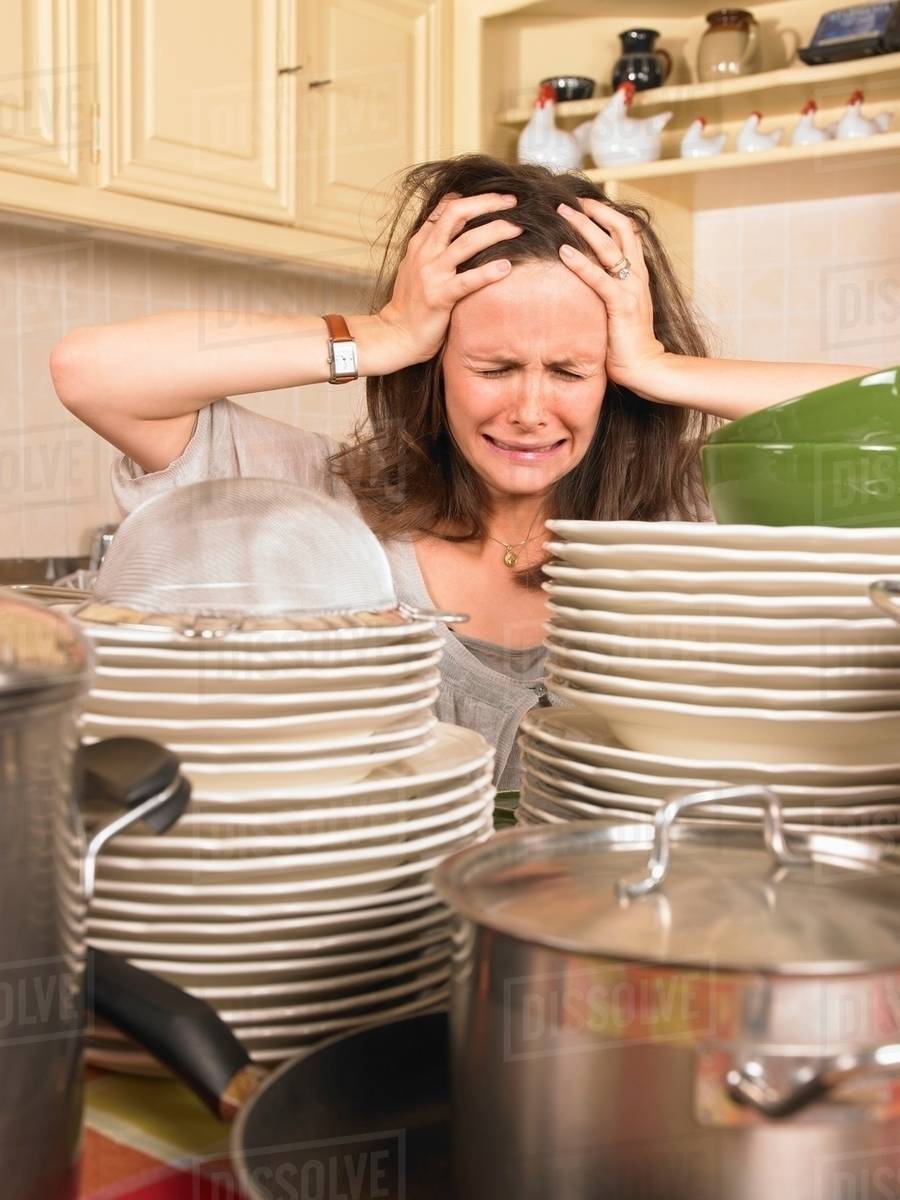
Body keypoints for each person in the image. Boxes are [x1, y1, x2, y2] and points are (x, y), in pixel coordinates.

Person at [51, 153, 869, 788]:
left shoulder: (689, 513)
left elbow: (886, 422)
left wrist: (662, 366)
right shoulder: (317, 505)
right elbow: (92, 371)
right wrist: (378, 334)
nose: (529, 409)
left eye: (572, 370)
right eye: (494, 365)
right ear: (435, 365)